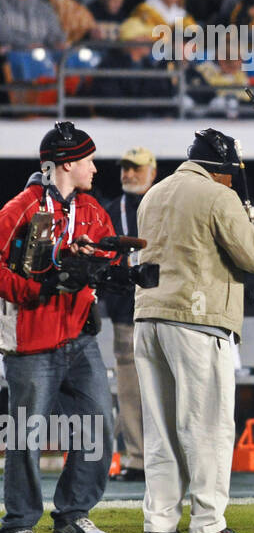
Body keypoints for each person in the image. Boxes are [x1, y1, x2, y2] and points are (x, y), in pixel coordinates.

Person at [133, 129, 254, 533]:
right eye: (230, 174)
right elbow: (252, 255)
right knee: (207, 426)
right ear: (220, 169)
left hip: (149, 317)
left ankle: (160, 522)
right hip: (197, 318)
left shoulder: (154, 192)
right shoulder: (216, 195)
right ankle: (207, 524)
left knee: (161, 428)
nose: (232, 182)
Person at [0, 123, 115, 533]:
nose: (95, 168)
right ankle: (16, 524)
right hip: (31, 340)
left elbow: (104, 254)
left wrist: (106, 268)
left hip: (79, 338)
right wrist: (37, 288)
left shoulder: (90, 209)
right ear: (66, 163)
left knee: (99, 424)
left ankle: (73, 514)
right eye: (88, 160)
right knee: (25, 435)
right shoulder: (21, 208)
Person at [99, 146, 157, 482]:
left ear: (153, 170)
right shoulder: (110, 209)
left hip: (163, 307)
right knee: (130, 387)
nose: (129, 174)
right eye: (125, 168)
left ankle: (170, 459)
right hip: (126, 313)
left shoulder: (166, 205)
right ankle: (137, 458)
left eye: (136, 168)